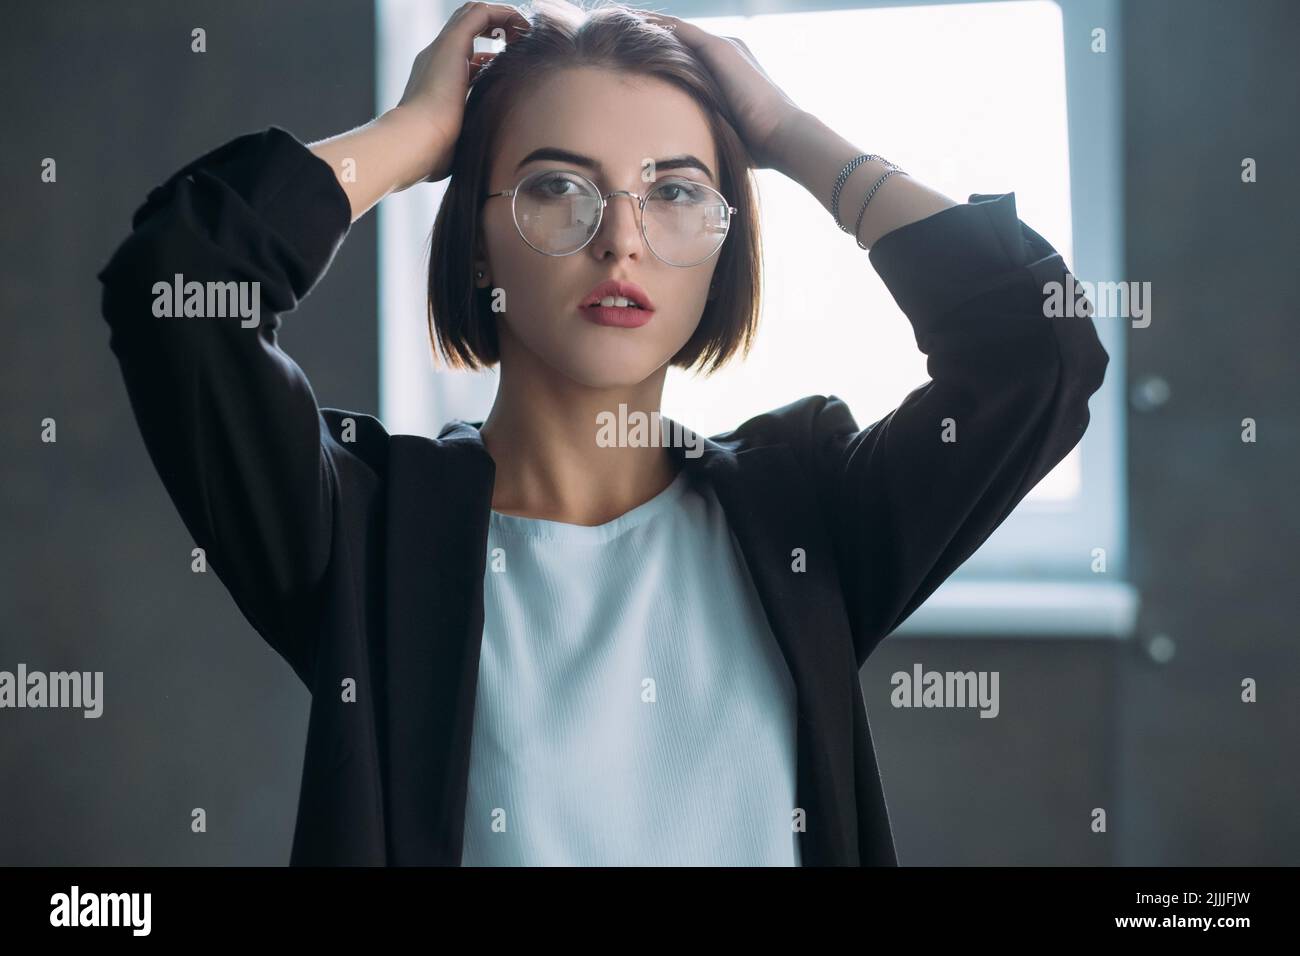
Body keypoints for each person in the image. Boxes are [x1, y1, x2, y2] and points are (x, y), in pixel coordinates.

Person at [97, 0, 1109, 866]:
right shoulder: (365, 537)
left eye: (674, 191)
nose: (620, 236)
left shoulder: (809, 516)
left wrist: (791, 133)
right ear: (478, 239)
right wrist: (412, 135)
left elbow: (1041, 353)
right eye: (553, 186)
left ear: (722, 248)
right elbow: (173, 288)